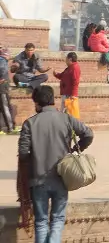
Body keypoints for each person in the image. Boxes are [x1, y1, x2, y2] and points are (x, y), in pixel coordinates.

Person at [18, 85, 94, 243]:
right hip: (61, 178)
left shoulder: (29, 123)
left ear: (37, 103)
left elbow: (23, 154)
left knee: (40, 223)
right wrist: (74, 149)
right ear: (52, 100)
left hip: (38, 180)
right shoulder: (66, 119)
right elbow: (88, 134)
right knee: (58, 220)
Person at [53, 52, 81, 119]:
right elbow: (62, 76)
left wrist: (73, 95)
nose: (65, 60)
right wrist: (56, 74)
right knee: (63, 112)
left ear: (70, 59)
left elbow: (75, 82)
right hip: (65, 92)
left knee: (68, 112)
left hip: (69, 94)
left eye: (66, 59)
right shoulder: (69, 68)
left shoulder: (75, 68)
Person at [0, 47, 19, 134]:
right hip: (2, 87)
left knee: (4, 107)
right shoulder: (2, 61)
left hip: (3, 86)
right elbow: (3, 71)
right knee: (5, 107)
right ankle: (10, 128)